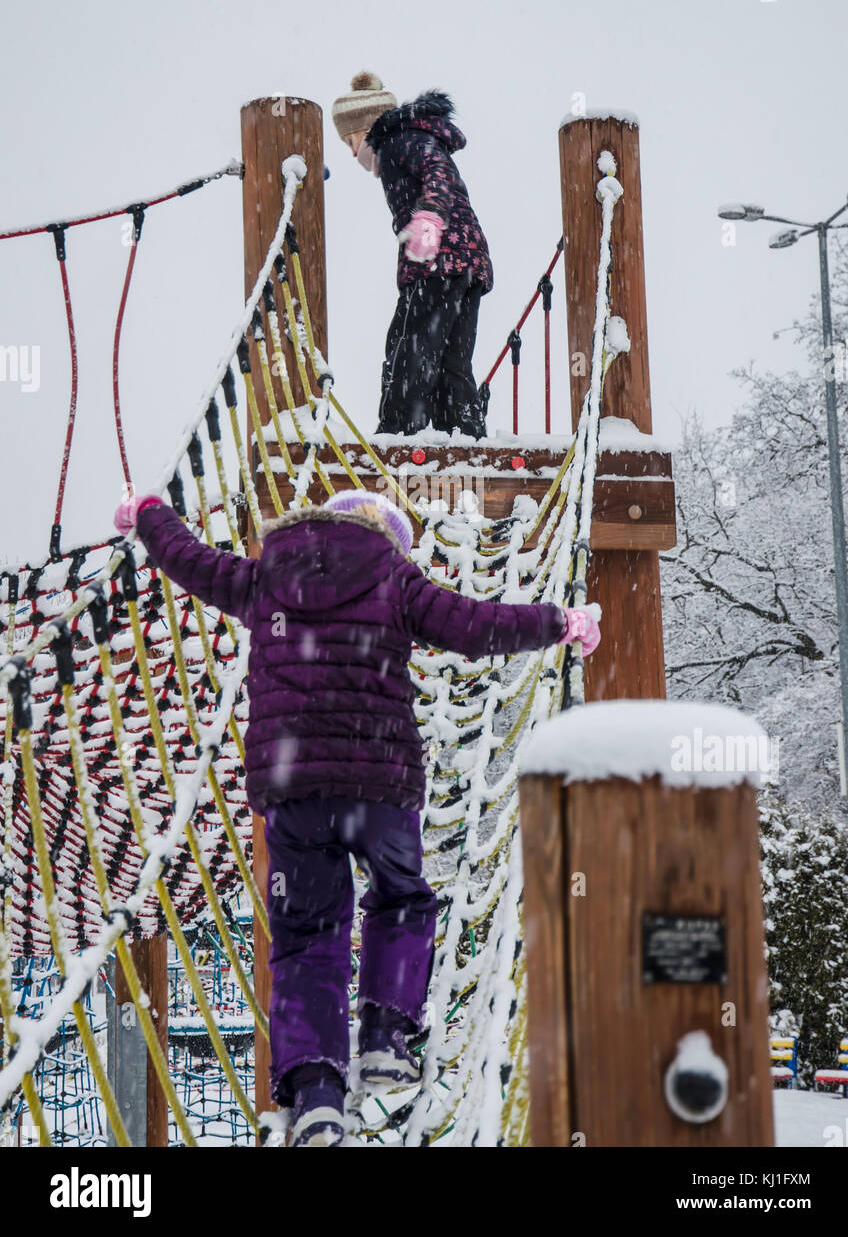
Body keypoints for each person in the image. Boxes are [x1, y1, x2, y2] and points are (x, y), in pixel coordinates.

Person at [114, 487, 601, 1146]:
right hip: (380, 783)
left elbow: (189, 558)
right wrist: (559, 621)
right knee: (401, 899)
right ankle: (385, 1033)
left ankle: (315, 1091)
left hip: (294, 789)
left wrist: (147, 513)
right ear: (387, 538)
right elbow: (472, 625)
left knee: (307, 939)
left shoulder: (265, 577)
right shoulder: (394, 577)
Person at [332, 72, 493, 440]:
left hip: (437, 262)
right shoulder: (408, 138)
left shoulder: (396, 140)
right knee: (452, 358)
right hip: (469, 264)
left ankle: (397, 433)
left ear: (365, 127)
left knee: (409, 350)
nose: (351, 151)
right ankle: (462, 432)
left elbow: (436, 172)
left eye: (350, 140)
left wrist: (430, 216)